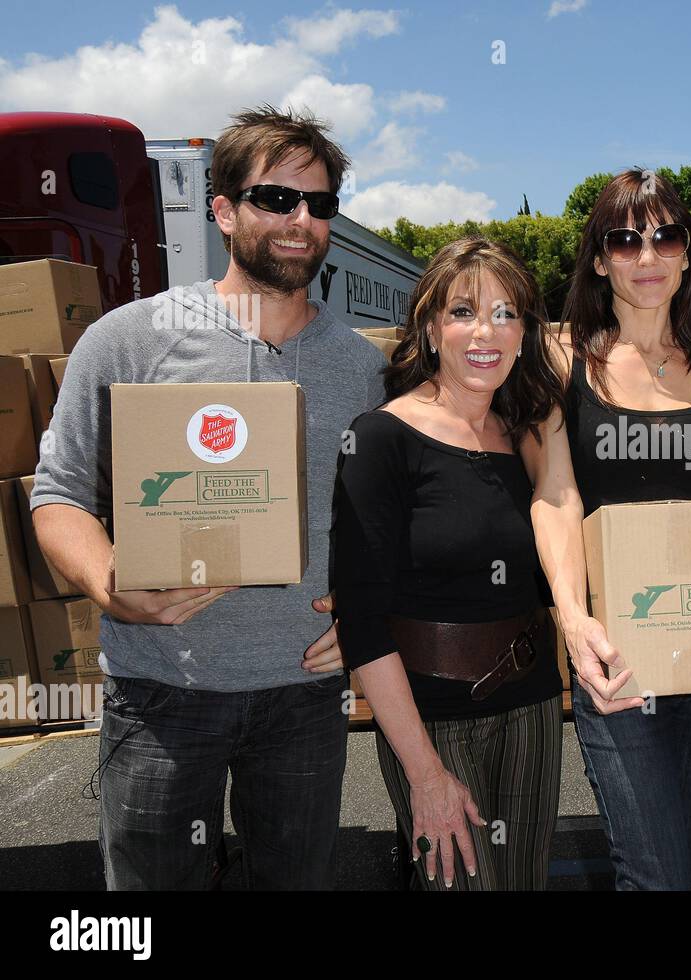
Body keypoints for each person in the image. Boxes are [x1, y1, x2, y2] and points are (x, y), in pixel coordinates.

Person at [30, 106, 388, 889]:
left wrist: (367, 612)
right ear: (224, 211)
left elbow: (377, 522)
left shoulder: (359, 367)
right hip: (162, 691)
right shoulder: (130, 339)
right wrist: (113, 586)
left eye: (319, 205)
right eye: (276, 199)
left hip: (304, 694)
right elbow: (57, 496)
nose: (300, 221)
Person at [525, 169, 691, 890]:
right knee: (656, 873)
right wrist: (572, 619)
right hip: (618, 656)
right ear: (599, 258)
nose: (647, 256)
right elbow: (555, 495)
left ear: (686, 253)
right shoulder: (562, 362)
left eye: (665, 236)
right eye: (625, 238)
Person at [332, 237, 566, 891]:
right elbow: (361, 617)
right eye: (463, 312)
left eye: (506, 313)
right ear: (431, 328)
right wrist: (423, 771)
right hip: (433, 719)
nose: (485, 331)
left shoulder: (527, 436)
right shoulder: (380, 438)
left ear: (525, 333)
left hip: (535, 708)